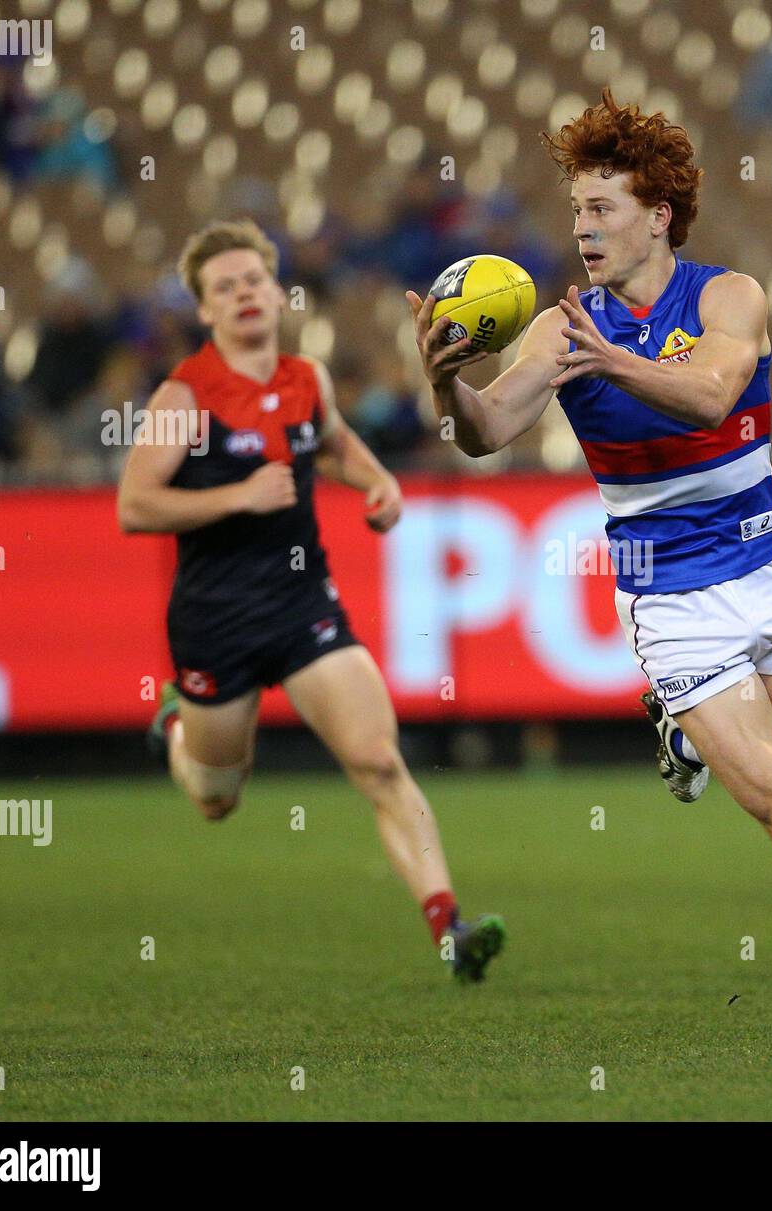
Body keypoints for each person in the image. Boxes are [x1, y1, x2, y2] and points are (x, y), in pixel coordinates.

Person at [406, 90, 772, 1041]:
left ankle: (685, 740)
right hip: (669, 597)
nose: (584, 229)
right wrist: (443, 379)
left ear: (658, 215)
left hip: (768, 570)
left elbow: (714, 397)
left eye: (602, 209)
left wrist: (613, 362)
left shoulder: (730, 296)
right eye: (575, 212)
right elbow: (484, 434)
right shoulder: (562, 329)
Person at [117, 219, 504, 983]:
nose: (244, 295)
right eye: (224, 287)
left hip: (303, 604)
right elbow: (135, 505)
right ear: (205, 310)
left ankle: (449, 927)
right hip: (214, 618)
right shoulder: (184, 394)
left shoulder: (306, 378)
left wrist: (377, 481)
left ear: (274, 289)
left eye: (254, 280)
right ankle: (173, 730)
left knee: (379, 763)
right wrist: (237, 495)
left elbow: (329, 443)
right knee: (217, 797)